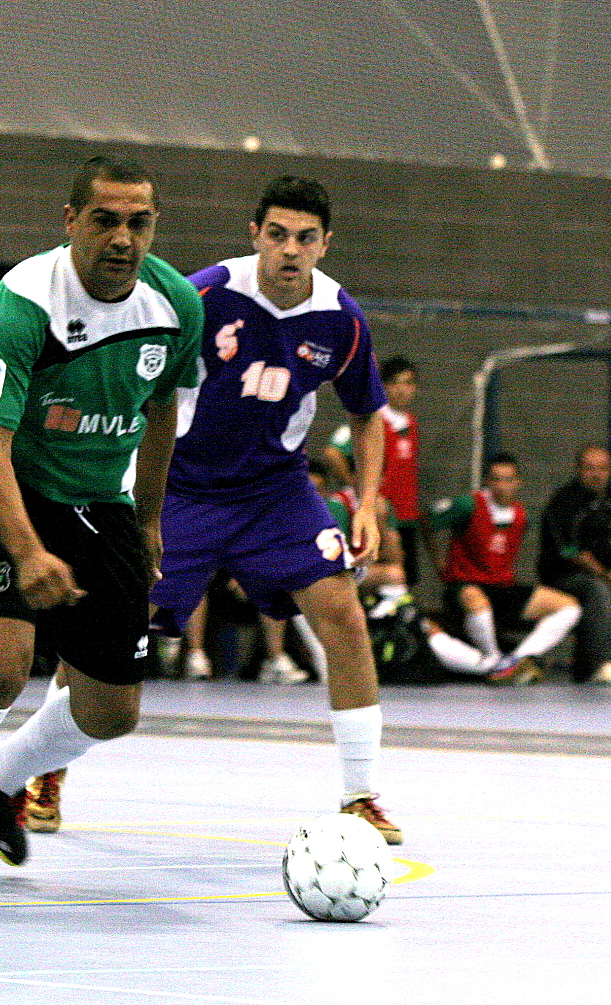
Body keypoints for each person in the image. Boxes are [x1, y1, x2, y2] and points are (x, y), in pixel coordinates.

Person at [0, 155, 204, 895]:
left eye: (138, 222)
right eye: (104, 220)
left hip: (100, 502)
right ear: (70, 222)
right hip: (4, 492)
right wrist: (26, 550)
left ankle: (3, 779)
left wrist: (148, 520)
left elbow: (162, 412)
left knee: (111, 711)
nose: (122, 238)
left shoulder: (177, 306)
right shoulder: (21, 303)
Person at [144, 175, 402, 844]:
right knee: (116, 618)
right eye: (278, 234)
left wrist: (368, 504)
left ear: (323, 245)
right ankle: (47, 771)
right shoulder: (203, 294)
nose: (290, 249)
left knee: (342, 613)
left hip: (275, 491)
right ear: (254, 233)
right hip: (182, 487)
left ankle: (360, 793)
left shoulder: (339, 319)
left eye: (305, 238)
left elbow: (368, 414)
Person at [425, 452, 581, 684]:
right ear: (487, 482)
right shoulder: (468, 505)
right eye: (496, 479)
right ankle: (494, 659)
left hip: (502, 587)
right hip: (465, 586)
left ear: (518, 483)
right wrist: (439, 561)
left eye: (509, 480)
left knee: (569, 607)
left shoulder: (520, 514)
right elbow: (428, 521)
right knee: (475, 598)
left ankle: (518, 659)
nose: (502, 486)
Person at [325, 356, 422, 585]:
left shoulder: (410, 423)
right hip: (379, 514)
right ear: (383, 385)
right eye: (395, 383)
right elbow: (332, 452)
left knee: (405, 576)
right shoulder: (373, 419)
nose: (402, 390)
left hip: (404, 513)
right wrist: (358, 486)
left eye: (408, 383)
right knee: (380, 572)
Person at [537, 445, 611, 684]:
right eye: (590, 468)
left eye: (602, 468)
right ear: (578, 469)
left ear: (610, 470)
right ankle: (605, 663)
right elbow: (570, 552)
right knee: (599, 591)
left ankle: (590, 662)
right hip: (567, 578)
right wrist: (608, 575)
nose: (596, 474)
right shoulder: (564, 502)